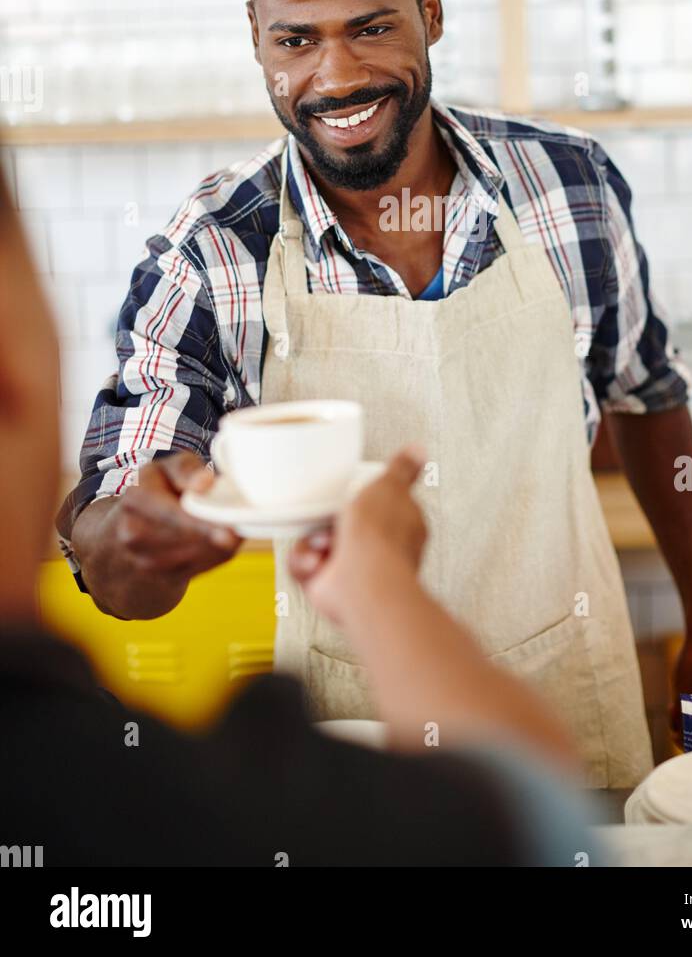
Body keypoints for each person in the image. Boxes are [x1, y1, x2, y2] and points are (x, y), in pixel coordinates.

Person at [58, 0, 692, 788]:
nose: (336, 76)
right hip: (356, 739)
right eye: (296, 40)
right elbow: (118, 554)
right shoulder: (214, 252)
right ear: (257, 40)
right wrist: (133, 540)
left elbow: (646, 395)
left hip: (569, 701)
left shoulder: (569, 186)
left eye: (372, 28)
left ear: (431, 10)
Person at [0, 157, 608, 867]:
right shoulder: (185, 809)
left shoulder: (566, 177)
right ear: (13, 378)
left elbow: (649, 388)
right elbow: (540, 819)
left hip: (571, 660)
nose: (340, 91)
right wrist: (378, 584)